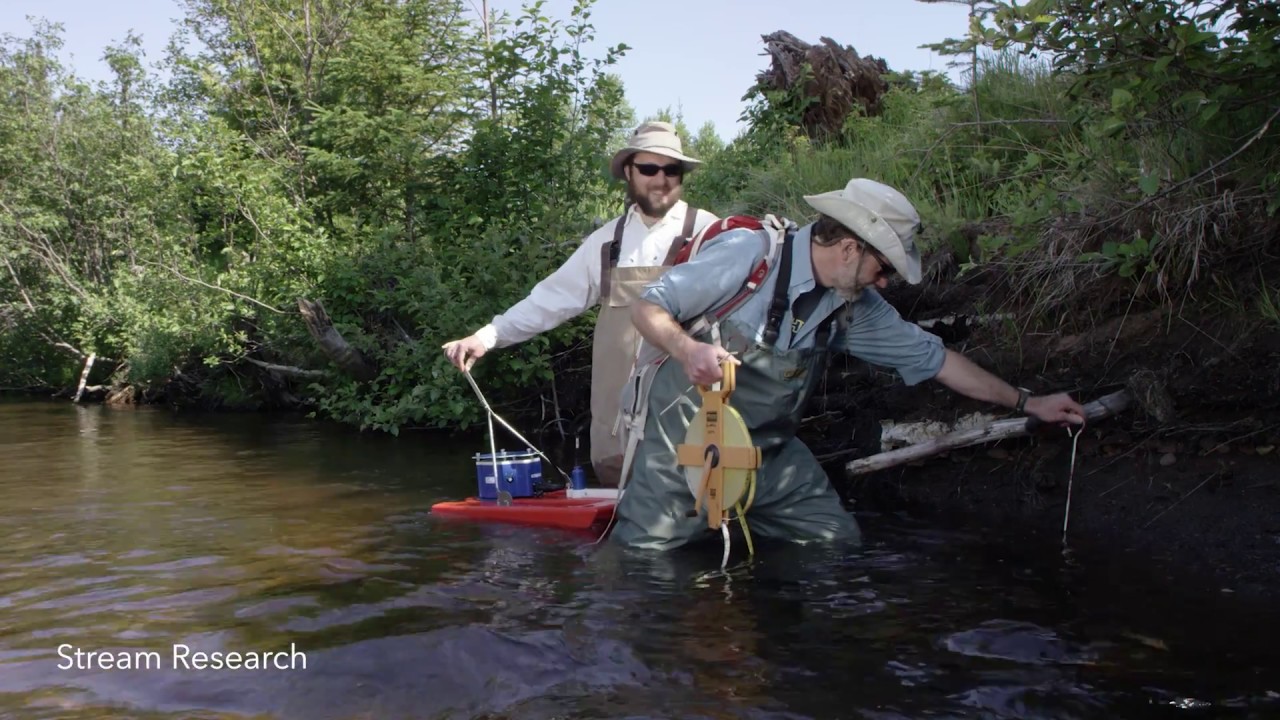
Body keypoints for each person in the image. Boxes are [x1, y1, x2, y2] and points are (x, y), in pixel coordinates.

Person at [614, 178, 1086, 550]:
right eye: (883, 268)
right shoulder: (749, 255)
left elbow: (936, 360)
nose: (884, 283)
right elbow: (646, 308)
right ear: (849, 248)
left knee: (833, 544)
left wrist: (1029, 402)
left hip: (771, 457)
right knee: (648, 566)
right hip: (682, 452)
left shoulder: (858, 307)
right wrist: (688, 349)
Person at [442, 122, 718, 486]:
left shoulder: (711, 233)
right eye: (649, 168)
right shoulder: (606, 242)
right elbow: (549, 301)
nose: (661, 179)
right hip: (617, 423)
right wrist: (487, 337)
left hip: (687, 417)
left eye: (672, 169)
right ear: (629, 173)